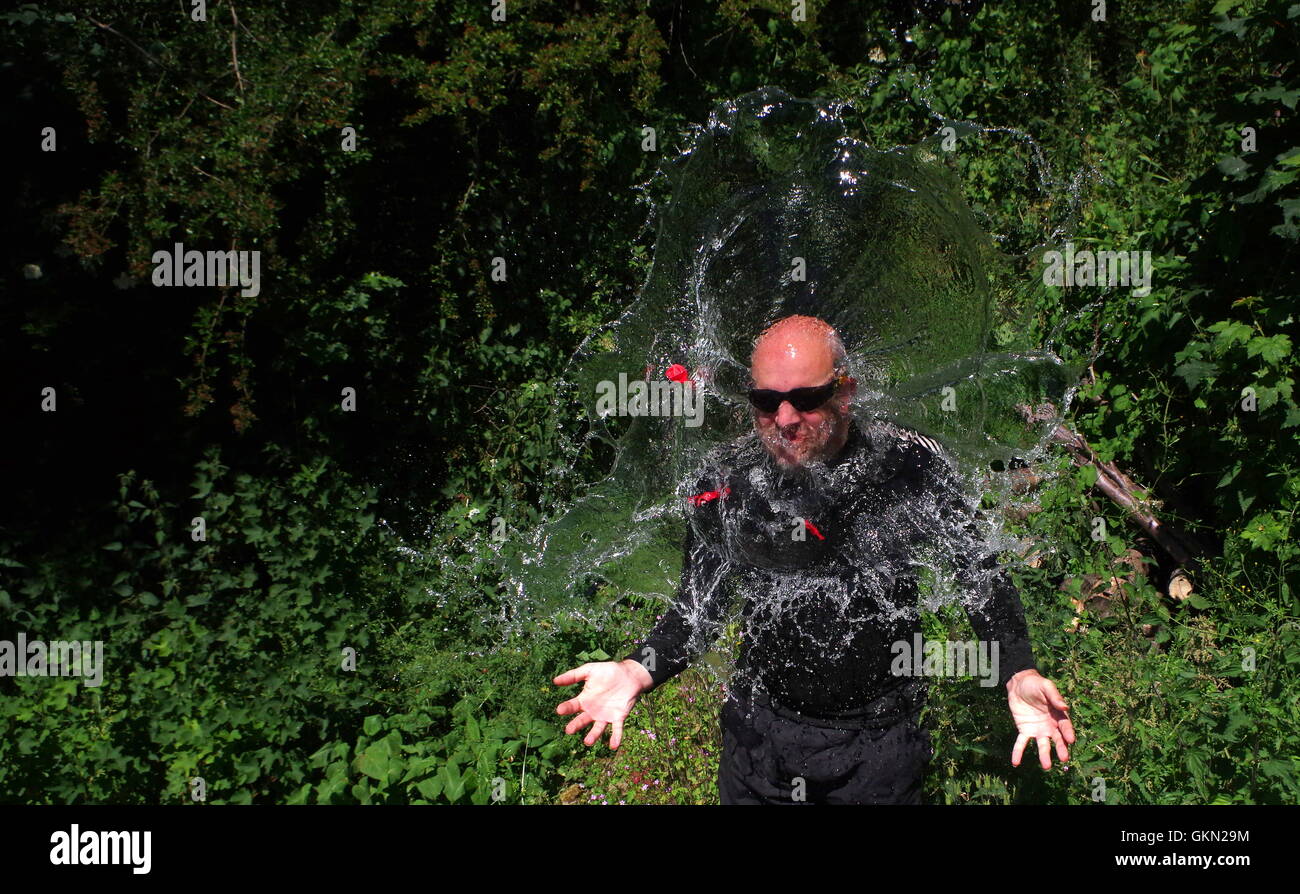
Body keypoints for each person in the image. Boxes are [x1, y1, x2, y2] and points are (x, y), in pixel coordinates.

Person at [553, 315, 1075, 803]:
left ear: (845, 393)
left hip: (877, 743)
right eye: (766, 401)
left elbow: (977, 574)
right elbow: (697, 608)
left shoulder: (906, 466)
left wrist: (1016, 670)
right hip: (759, 738)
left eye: (806, 398)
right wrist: (636, 670)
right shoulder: (729, 480)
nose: (785, 419)